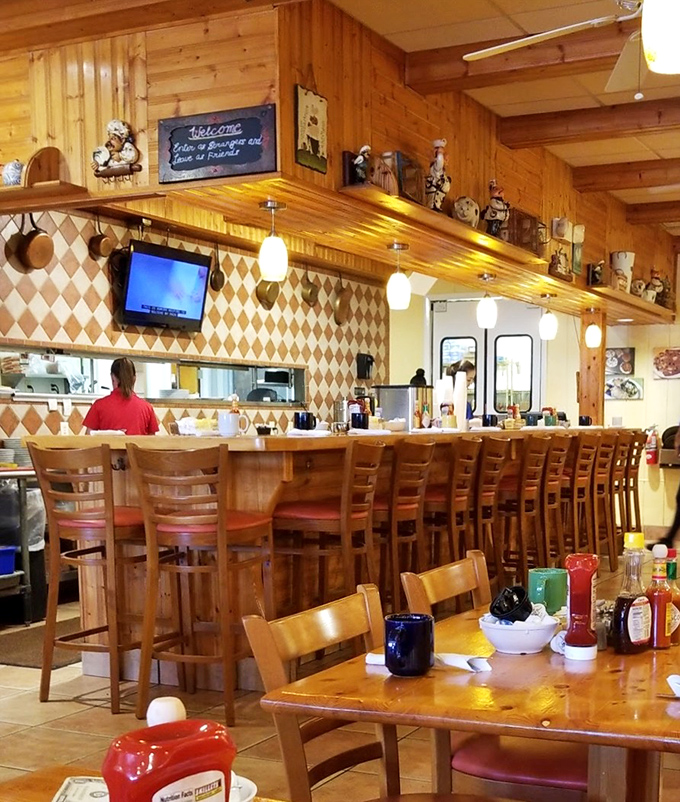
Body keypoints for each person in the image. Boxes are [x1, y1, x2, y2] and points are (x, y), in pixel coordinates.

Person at [83, 357, 159, 435]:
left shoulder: (98, 406)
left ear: (112, 377)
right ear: (134, 379)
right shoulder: (147, 408)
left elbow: (88, 439)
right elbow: (152, 443)